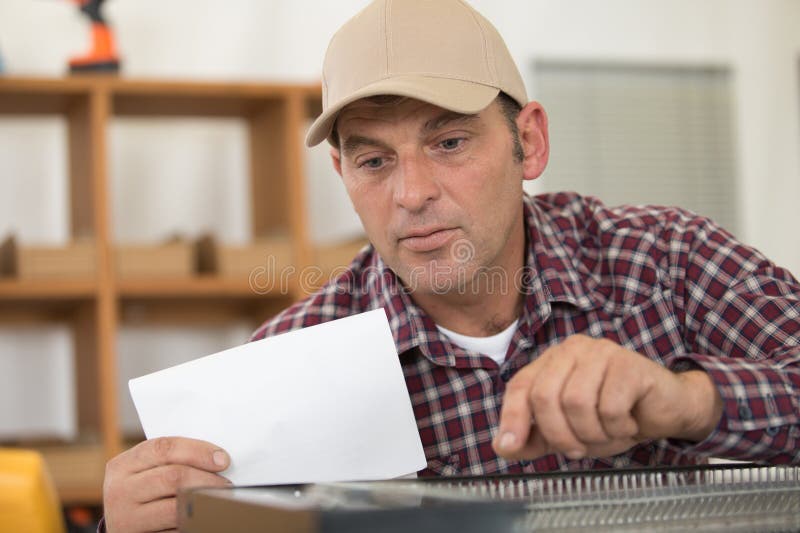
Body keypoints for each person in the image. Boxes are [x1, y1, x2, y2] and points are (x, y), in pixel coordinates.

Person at [100, 0, 800, 531]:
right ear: (341, 170)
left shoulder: (664, 262)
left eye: (450, 141)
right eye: (374, 160)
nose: (411, 194)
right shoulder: (287, 365)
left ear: (528, 140)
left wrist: (688, 401)